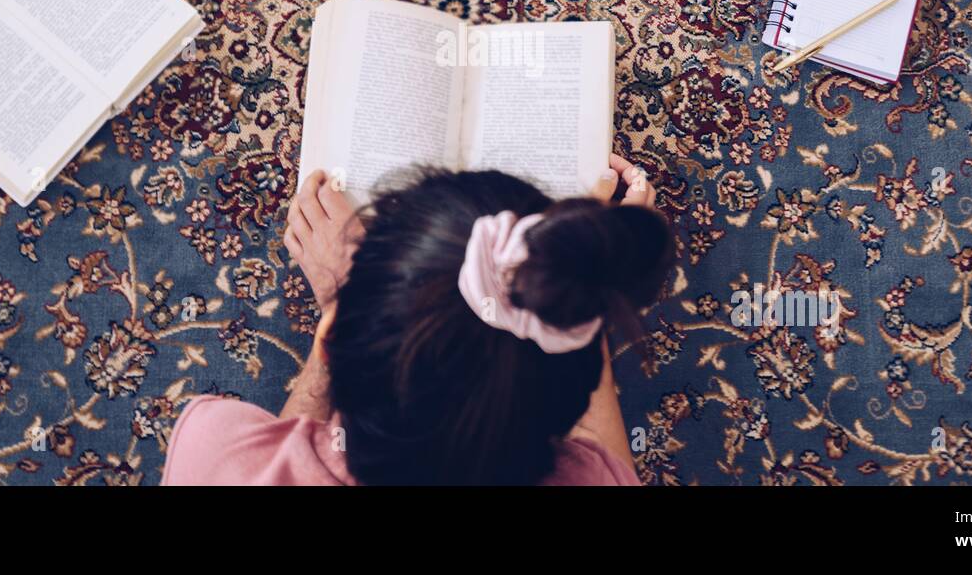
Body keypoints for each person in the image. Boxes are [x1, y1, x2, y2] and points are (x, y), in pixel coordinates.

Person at [163, 154, 672, 485]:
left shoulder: (214, 456)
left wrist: (343, 301)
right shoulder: (596, 478)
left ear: (332, 340)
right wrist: (575, 290)